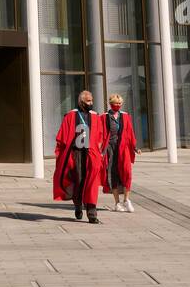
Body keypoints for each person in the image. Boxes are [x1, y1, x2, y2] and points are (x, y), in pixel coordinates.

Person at [53, 88, 106, 223]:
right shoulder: (71, 116)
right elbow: (62, 137)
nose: (91, 103)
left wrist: (99, 149)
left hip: (91, 153)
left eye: (92, 100)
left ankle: (92, 212)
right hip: (75, 153)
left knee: (92, 181)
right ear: (81, 101)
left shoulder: (95, 116)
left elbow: (100, 135)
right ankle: (78, 205)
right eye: (88, 101)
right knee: (78, 180)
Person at [103, 93, 139, 212]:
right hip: (111, 149)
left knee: (127, 173)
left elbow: (130, 132)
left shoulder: (125, 116)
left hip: (123, 149)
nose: (118, 105)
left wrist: (134, 147)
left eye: (119, 103)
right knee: (113, 174)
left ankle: (126, 200)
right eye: (115, 103)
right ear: (111, 104)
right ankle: (117, 203)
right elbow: (101, 134)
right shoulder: (104, 117)